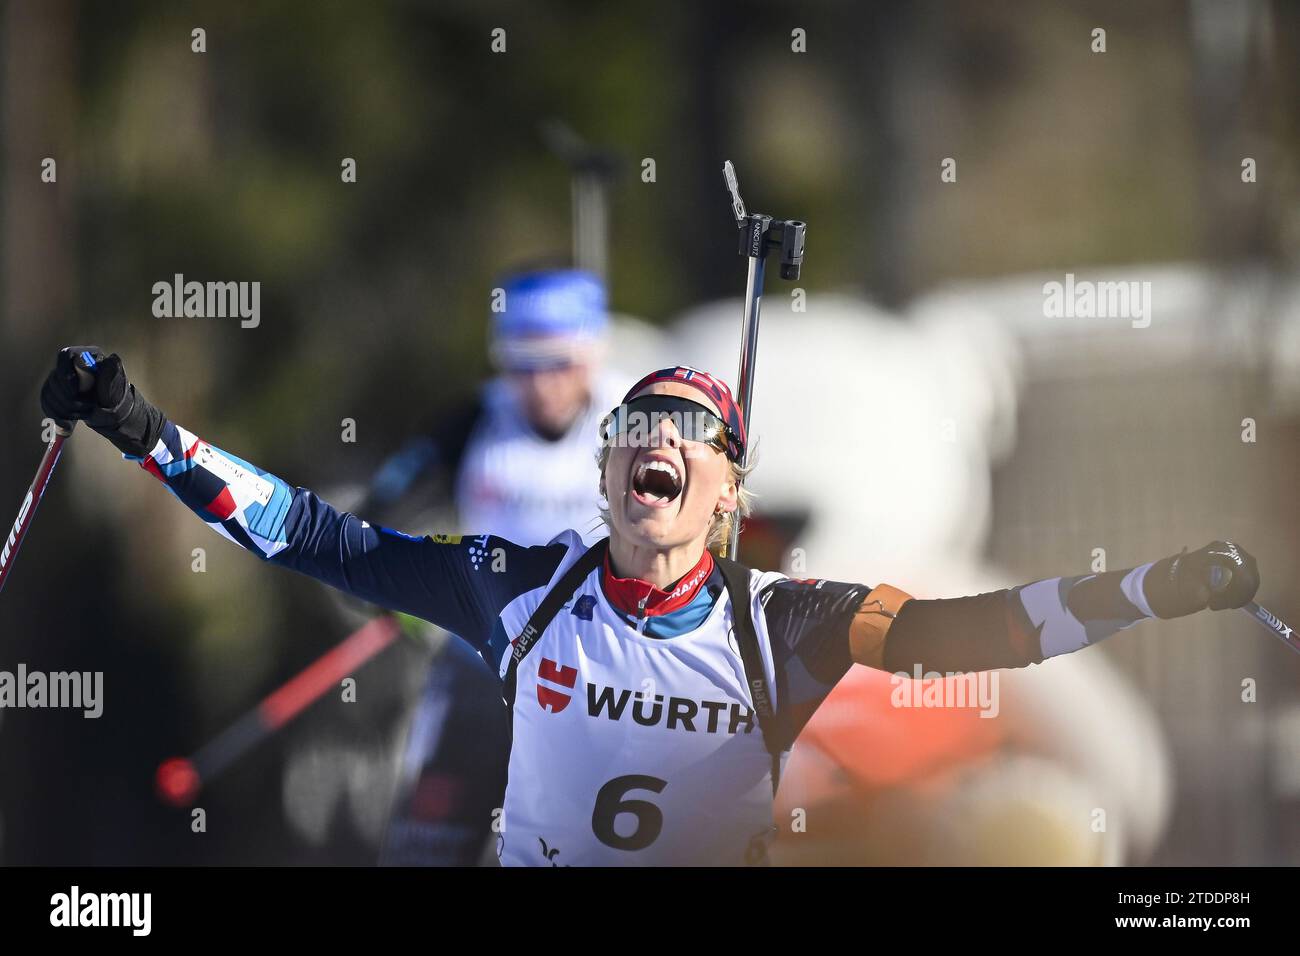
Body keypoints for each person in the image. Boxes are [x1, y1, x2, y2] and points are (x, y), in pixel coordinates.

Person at [41, 347, 1261, 866]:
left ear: (729, 492)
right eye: (637, 425)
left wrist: (1147, 588)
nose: (658, 441)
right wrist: (141, 428)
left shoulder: (789, 621)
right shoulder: (519, 586)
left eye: (694, 432)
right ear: (607, 469)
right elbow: (313, 534)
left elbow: (975, 630)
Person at [357, 268, 621, 865]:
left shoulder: (631, 423)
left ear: (592, 355)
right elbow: (376, 518)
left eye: (559, 364)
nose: (541, 385)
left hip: (591, 672)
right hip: (480, 662)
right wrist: (406, 594)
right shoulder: (474, 420)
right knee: (425, 844)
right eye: (522, 365)